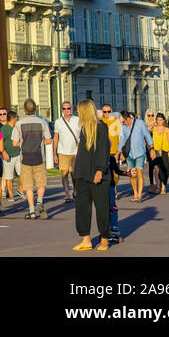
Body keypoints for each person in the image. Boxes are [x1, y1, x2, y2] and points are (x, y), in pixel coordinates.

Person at [72, 100, 111, 252]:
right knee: (82, 208)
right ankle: (86, 240)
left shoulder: (101, 127)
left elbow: (104, 150)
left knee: (102, 208)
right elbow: (81, 153)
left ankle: (104, 239)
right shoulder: (83, 129)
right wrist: (76, 173)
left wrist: (100, 170)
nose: (78, 114)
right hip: (82, 174)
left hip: (97, 174)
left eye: (79, 111)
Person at [12, 98, 52, 219]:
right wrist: (40, 143)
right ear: (35, 108)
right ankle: (39, 201)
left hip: (25, 158)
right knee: (41, 183)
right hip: (39, 157)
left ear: (24, 109)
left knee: (28, 186)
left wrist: (24, 143)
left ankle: (32, 210)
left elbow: (14, 143)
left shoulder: (19, 124)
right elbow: (48, 140)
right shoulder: (42, 123)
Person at [99, 102, 124, 242]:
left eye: (108, 111)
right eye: (104, 112)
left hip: (113, 154)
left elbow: (121, 137)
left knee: (113, 181)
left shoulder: (116, 122)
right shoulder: (99, 123)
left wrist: (120, 151)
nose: (106, 114)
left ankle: (113, 227)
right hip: (102, 157)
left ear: (111, 111)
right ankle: (107, 228)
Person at [119, 109, 153, 202]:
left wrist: (152, 149)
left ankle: (139, 195)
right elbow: (122, 140)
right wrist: (120, 152)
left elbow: (147, 135)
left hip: (140, 152)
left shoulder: (140, 123)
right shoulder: (124, 127)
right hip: (129, 154)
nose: (123, 123)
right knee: (132, 174)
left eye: (123, 122)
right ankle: (135, 193)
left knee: (139, 172)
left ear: (128, 119)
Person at [54, 100, 81, 202]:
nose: (66, 110)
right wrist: (54, 154)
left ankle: (75, 190)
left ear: (72, 109)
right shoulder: (58, 122)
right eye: (64, 109)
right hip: (63, 152)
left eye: (68, 108)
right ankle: (67, 194)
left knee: (74, 174)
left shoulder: (78, 120)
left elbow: (82, 135)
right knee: (64, 173)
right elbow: (56, 138)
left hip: (75, 152)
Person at [0, 110, 21, 200]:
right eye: (17, 117)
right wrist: (4, 152)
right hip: (8, 156)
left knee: (22, 174)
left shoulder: (17, 128)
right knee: (9, 177)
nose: (18, 119)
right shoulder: (4, 129)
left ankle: (20, 190)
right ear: (13, 118)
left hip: (18, 154)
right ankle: (11, 195)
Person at [149, 112, 169, 194]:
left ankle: (164, 185)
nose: (159, 121)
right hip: (156, 151)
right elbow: (147, 129)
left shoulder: (166, 129)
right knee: (157, 169)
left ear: (164, 120)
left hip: (165, 150)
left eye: (161, 120)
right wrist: (153, 123)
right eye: (158, 120)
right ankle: (159, 187)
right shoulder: (154, 128)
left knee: (165, 169)